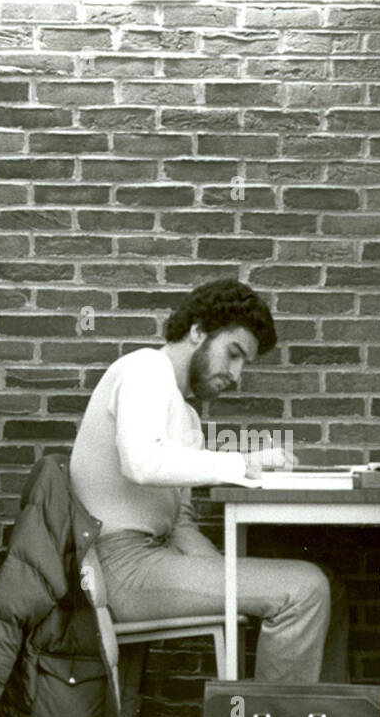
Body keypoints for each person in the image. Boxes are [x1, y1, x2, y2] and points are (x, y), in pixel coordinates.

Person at [69, 278, 348, 683]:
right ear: (198, 331)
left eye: (244, 363)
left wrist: (225, 575)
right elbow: (141, 463)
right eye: (233, 354)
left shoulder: (188, 417)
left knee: (327, 587)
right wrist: (240, 463)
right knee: (304, 590)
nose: (236, 375)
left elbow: (180, 523)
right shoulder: (144, 369)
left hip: (153, 560)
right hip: (116, 567)